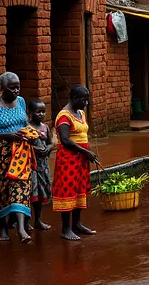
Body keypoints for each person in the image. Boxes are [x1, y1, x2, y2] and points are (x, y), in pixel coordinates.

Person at [0, 72, 36, 243]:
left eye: (18, 87)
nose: (16, 91)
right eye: (12, 88)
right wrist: (6, 136)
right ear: (1, 89)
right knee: (1, 190)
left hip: (20, 152)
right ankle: (3, 226)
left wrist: (30, 134)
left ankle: (22, 229)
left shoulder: (22, 102)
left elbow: (24, 124)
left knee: (21, 186)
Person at [52, 84, 97, 241]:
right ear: (74, 98)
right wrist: (85, 152)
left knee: (80, 189)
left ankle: (77, 223)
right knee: (68, 190)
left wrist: (89, 152)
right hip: (69, 159)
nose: (86, 103)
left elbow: (83, 135)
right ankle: (66, 228)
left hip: (82, 159)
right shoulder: (64, 116)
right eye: (84, 100)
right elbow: (65, 140)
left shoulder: (81, 114)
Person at [28, 99, 53, 232]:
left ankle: (38, 219)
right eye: (38, 112)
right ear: (30, 113)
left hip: (43, 166)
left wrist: (48, 149)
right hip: (31, 166)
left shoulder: (45, 127)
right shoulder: (27, 127)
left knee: (42, 192)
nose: (42, 114)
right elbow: (24, 145)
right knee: (31, 192)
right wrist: (35, 149)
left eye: (43, 111)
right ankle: (27, 221)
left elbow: (50, 143)